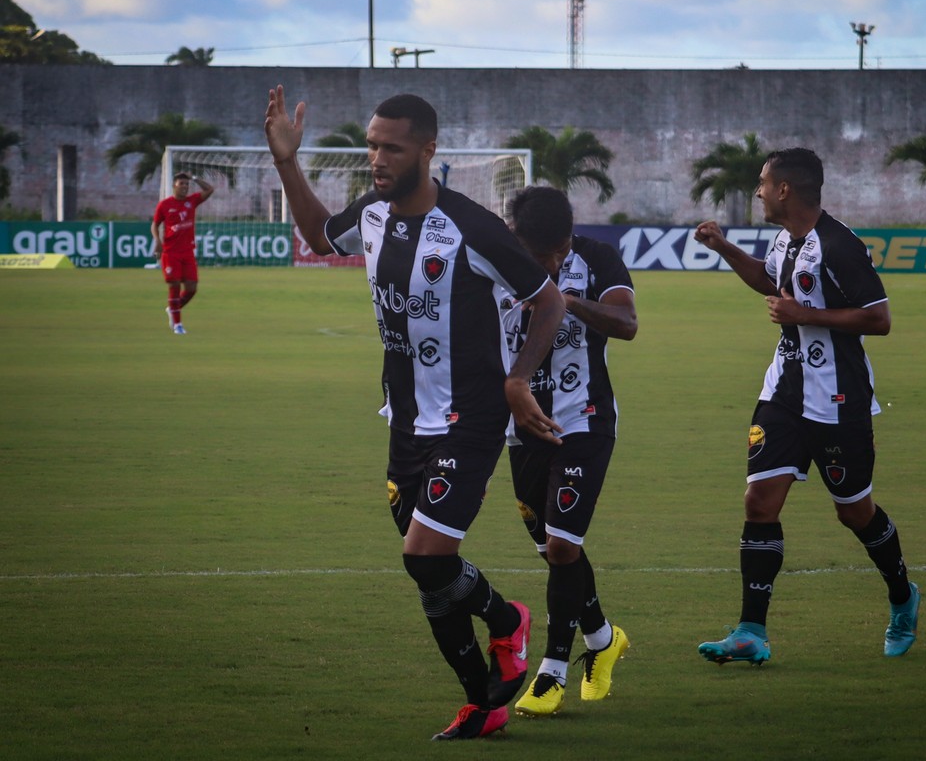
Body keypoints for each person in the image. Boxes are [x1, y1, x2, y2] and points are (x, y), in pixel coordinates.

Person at [264, 85, 567, 740]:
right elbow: (320, 236)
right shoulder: (373, 211)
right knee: (431, 577)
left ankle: (509, 621)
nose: (376, 157)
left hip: (473, 416)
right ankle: (482, 704)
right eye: (372, 145)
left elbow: (549, 303)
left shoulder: (472, 228)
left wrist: (519, 381)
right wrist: (288, 161)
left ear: (427, 151)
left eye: (391, 148)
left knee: (425, 554)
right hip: (405, 419)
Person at [692, 147, 919, 665]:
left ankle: (903, 597)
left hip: (839, 400)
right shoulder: (786, 240)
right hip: (784, 392)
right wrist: (724, 247)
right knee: (759, 503)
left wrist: (806, 313)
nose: (758, 191)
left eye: (763, 183)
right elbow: (771, 285)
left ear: (786, 190)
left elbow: (879, 319)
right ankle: (751, 631)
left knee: (854, 512)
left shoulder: (841, 245)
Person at [495, 187, 637, 718]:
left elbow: (627, 324)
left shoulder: (598, 258)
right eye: (540, 257)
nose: (552, 262)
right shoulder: (495, 263)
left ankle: (553, 671)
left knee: (560, 545)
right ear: (517, 240)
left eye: (560, 251)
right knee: (558, 548)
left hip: (585, 420)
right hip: (521, 425)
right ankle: (602, 637)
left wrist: (565, 299)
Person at [151, 171, 214, 334]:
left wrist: (194, 177)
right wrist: (157, 241)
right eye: (182, 184)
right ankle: (178, 325)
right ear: (174, 186)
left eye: (187, 184)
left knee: (192, 288)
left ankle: (173, 308)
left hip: (187, 252)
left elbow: (209, 189)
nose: (185, 187)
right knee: (175, 285)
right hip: (170, 252)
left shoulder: (191, 201)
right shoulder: (164, 205)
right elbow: (155, 224)